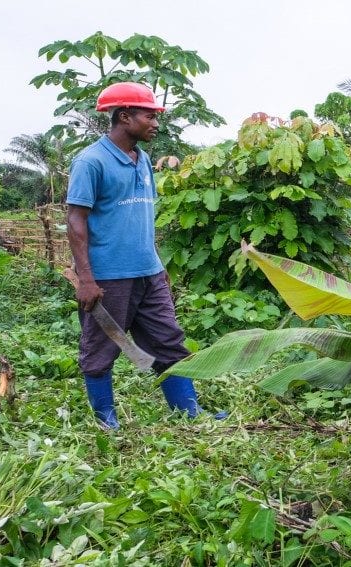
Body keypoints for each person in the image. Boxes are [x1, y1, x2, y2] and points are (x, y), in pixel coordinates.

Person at [66, 81, 226, 430]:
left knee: (167, 339)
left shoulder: (144, 160)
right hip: (108, 277)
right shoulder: (91, 162)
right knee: (100, 347)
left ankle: (188, 411)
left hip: (148, 273)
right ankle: (105, 420)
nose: (155, 123)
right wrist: (86, 278)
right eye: (149, 116)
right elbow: (75, 221)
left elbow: (140, 218)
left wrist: (157, 262)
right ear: (125, 116)